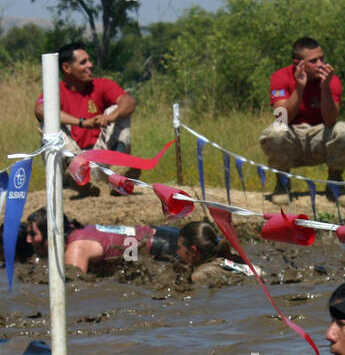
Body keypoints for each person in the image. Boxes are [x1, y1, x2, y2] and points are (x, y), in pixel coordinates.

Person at [260, 37, 345, 207]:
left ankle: (335, 183)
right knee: (276, 132)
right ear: (299, 63)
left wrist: (325, 88)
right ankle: (282, 184)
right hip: (292, 140)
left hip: (320, 139)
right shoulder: (280, 77)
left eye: (322, 58)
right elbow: (281, 119)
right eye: (313, 61)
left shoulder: (331, 79)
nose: (320, 64)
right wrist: (300, 87)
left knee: (344, 130)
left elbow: (331, 119)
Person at [34, 43, 138, 196]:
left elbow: (129, 102)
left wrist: (110, 116)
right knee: (48, 121)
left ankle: (119, 170)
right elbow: (40, 111)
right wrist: (82, 122)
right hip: (72, 161)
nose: (90, 65)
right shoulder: (56, 90)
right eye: (83, 62)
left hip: (100, 159)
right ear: (67, 68)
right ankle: (78, 176)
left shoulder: (102, 85)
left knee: (117, 110)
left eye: (89, 60)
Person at [65, 220, 239, 277]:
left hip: (160, 247)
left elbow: (73, 282)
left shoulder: (75, 246)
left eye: (35, 234)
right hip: (161, 234)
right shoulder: (83, 229)